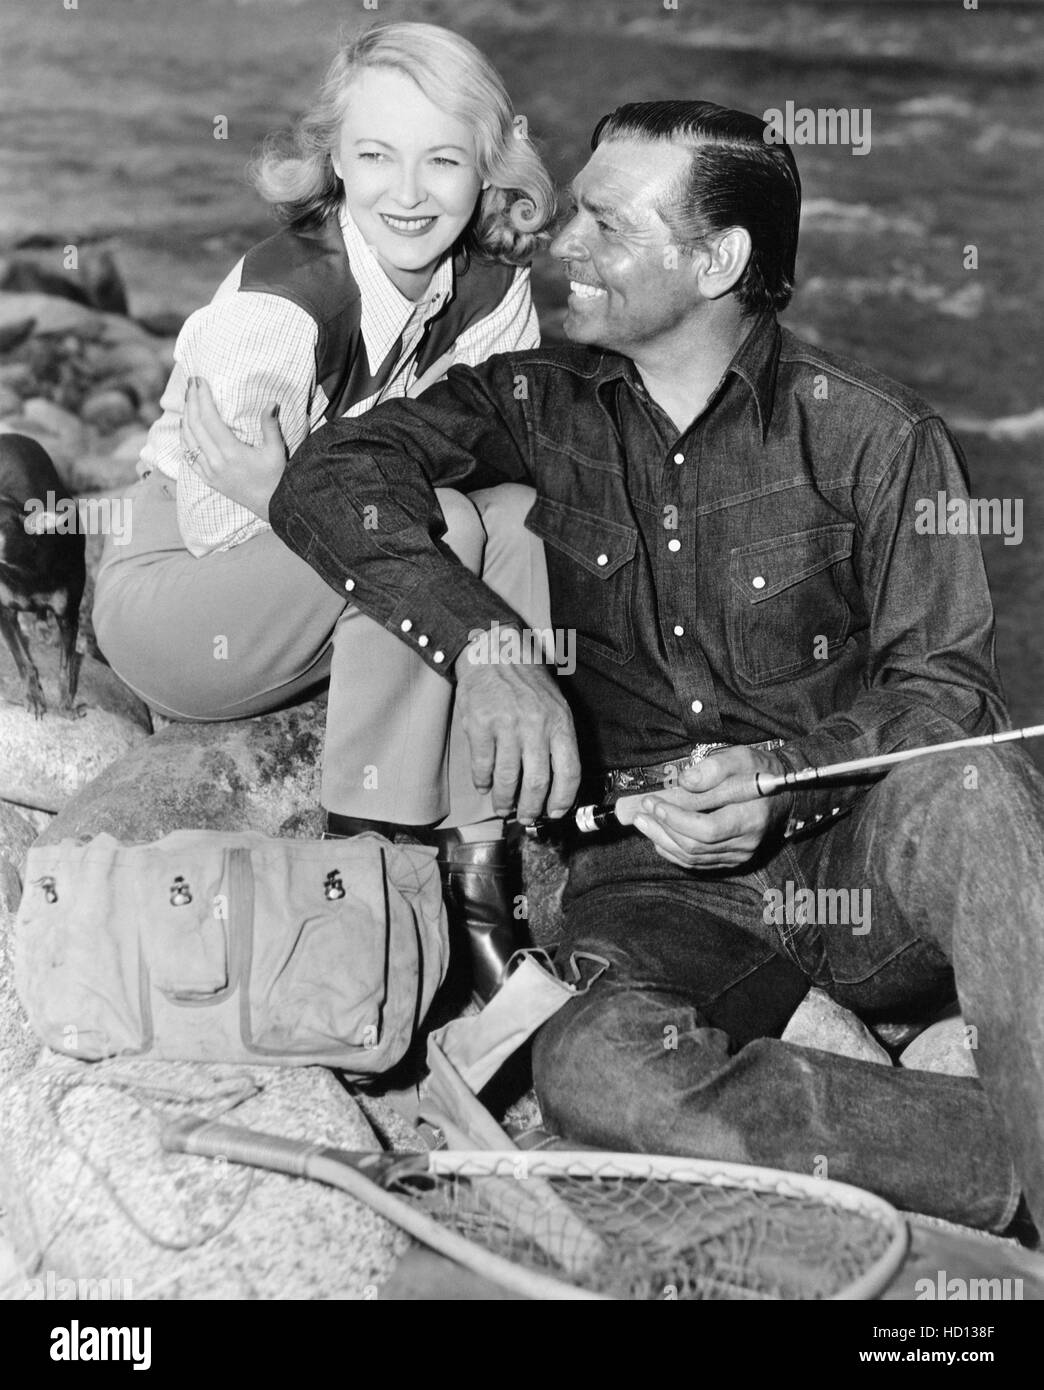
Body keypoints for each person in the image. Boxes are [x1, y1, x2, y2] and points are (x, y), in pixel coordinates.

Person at [182, 99, 1044, 1236]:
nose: (559, 243)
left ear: (717, 259)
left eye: (605, 224)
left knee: (978, 786)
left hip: (859, 863)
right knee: (593, 1072)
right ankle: (1004, 1155)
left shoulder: (878, 438)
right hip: (658, 894)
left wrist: (785, 771)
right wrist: (488, 642)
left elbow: (949, 696)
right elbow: (333, 478)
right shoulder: (533, 402)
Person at [92, 22, 558, 1002]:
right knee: (435, 523)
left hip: (310, 570)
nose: (408, 193)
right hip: (182, 592)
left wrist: (327, 481)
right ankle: (364, 872)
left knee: (513, 517)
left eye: (443, 160)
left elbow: (511, 459)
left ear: (487, 166)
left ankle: (483, 880)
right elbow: (225, 522)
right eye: (377, 156)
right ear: (334, 160)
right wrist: (355, 493)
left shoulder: (497, 291)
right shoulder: (278, 308)